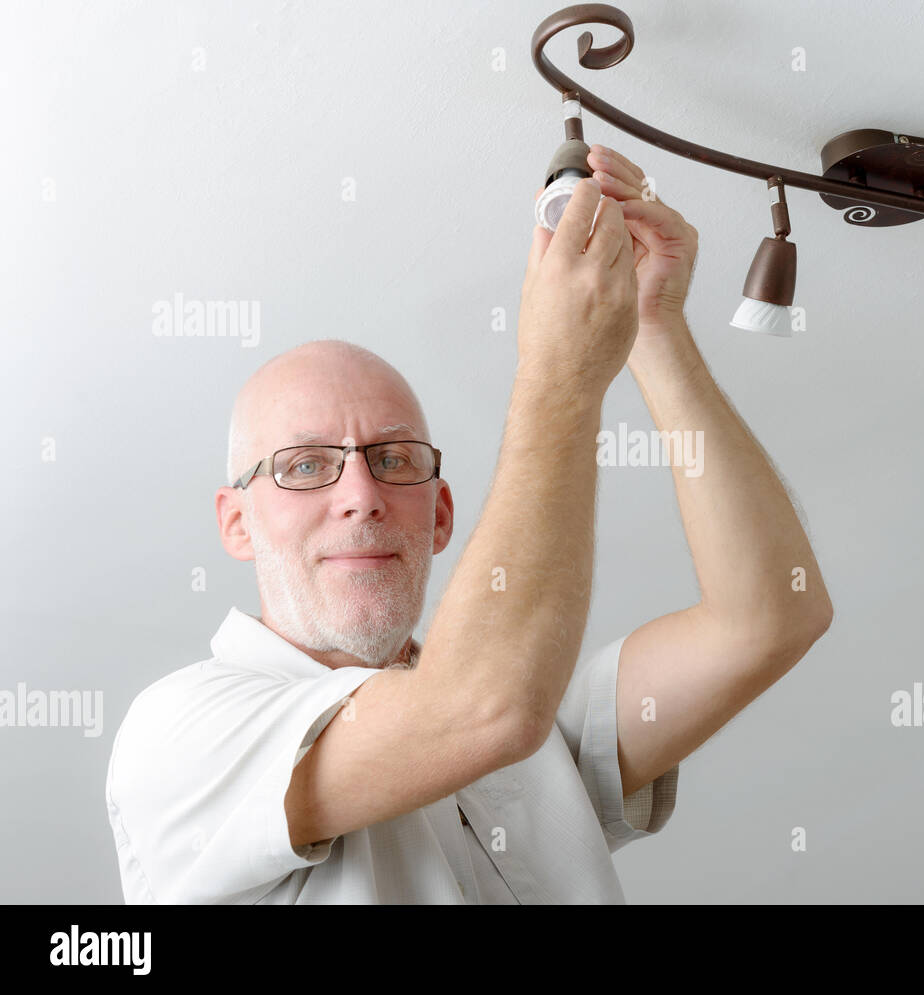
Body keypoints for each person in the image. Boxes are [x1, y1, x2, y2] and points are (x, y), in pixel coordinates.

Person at [104, 145, 833, 903]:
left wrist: (650, 324)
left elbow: (773, 614)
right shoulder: (180, 730)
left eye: (393, 459)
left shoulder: (537, 740)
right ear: (237, 523)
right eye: (306, 466)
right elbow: (481, 708)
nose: (360, 493)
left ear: (441, 514)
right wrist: (559, 372)